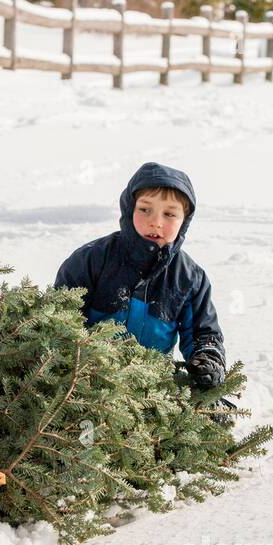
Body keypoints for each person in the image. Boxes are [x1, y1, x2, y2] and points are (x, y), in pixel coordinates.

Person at [54, 162, 227, 388]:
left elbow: (203, 333)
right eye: (145, 209)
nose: (156, 221)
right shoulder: (90, 260)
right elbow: (60, 319)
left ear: (184, 220)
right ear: (129, 208)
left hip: (152, 386)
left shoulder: (189, 279)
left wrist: (207, 359)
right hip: (87, 380)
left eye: (170, 214)